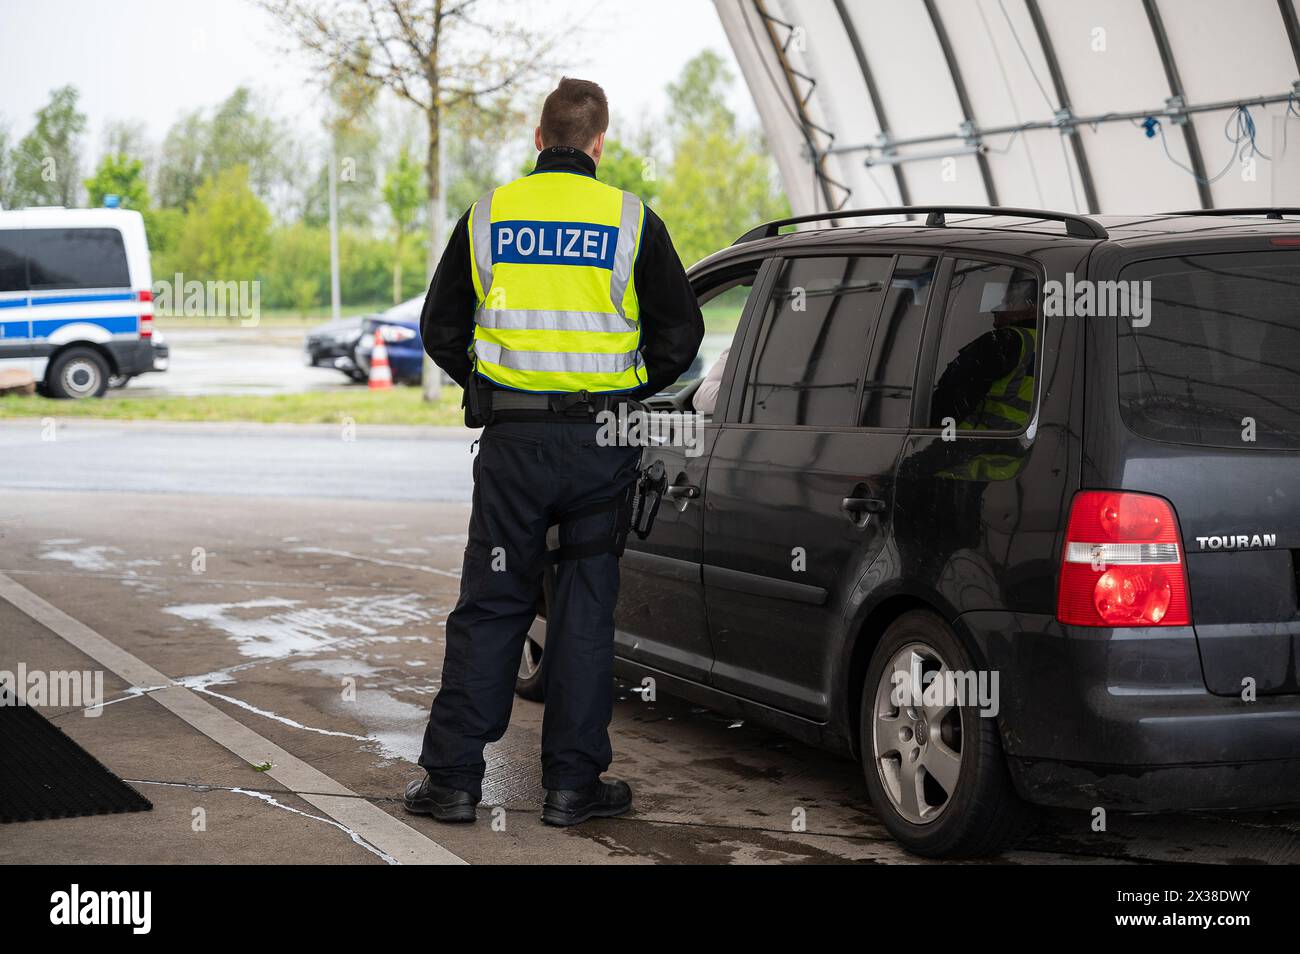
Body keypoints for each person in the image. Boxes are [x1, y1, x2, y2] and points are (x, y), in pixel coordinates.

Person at [405, 77, 703, 827]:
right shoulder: (632, 220)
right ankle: (572, 787)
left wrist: (491, 388)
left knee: (493, 604)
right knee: (584, 609)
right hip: (601, 444)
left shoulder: (488, 215)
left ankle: (452, 782)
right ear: (599, 143)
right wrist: (628, 388)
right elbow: (683, 337)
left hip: (512, 443)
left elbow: (440, 328)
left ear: (539, 139)